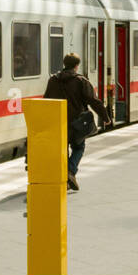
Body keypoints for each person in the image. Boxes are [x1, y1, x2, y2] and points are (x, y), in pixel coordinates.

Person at [43, 53, 111, 191]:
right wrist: (106, 118)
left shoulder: (53, 80)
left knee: (62, 150)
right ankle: (70, 171)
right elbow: (94, 101)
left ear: (64, 64)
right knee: (79, 147)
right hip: (77, 124)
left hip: (58, 123)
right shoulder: (81, 81)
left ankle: (66, 177)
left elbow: (46, 101)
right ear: (76, 66)